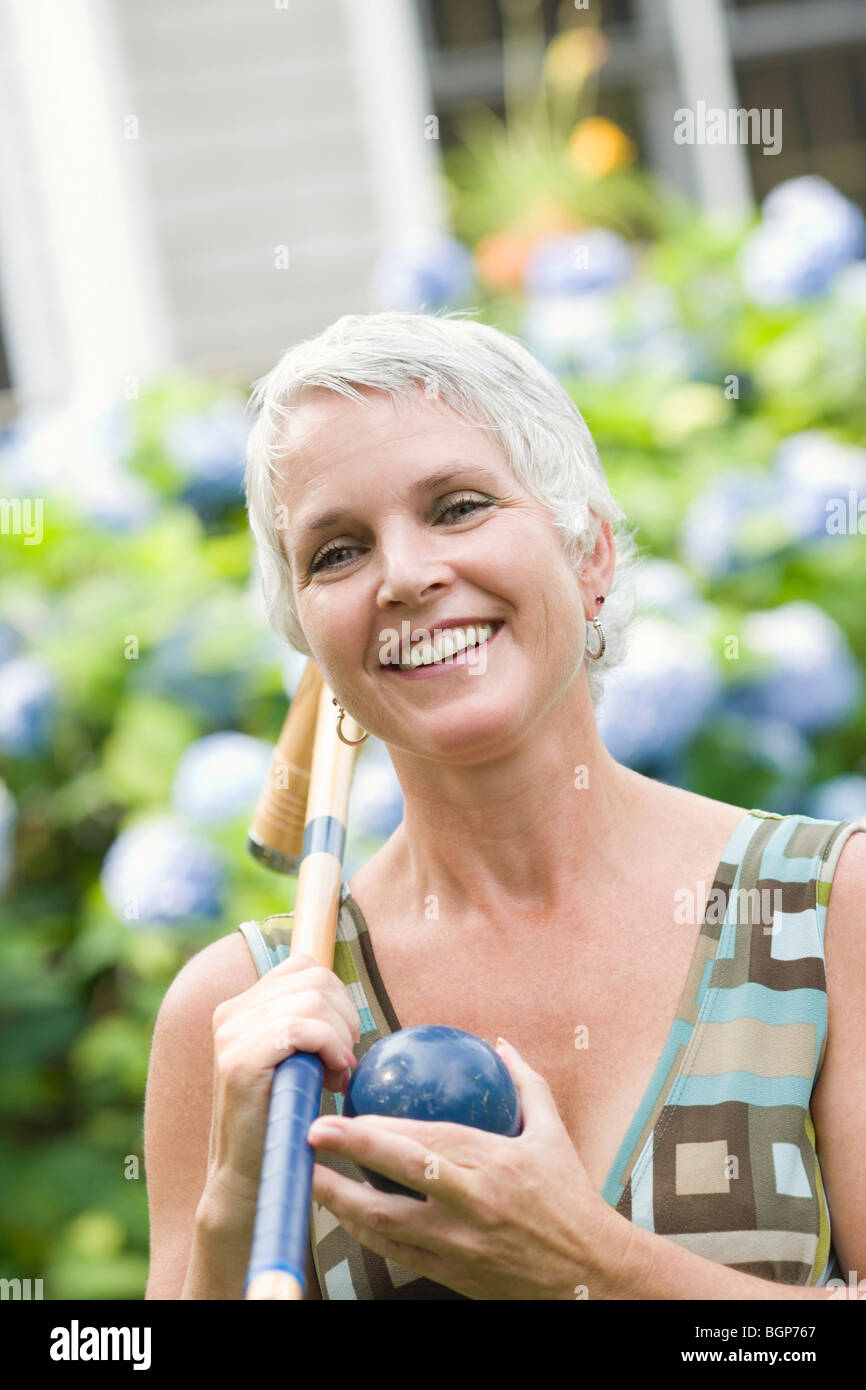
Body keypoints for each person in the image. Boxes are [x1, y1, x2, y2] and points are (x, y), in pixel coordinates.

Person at [144, 311, 866, 1300]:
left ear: (591, 555)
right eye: (337, 551)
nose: (403, 576)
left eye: (456, 506)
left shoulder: (828, 912)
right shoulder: (241, 1021)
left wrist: (591, 1268)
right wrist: (233, 1201)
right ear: (311, 644)